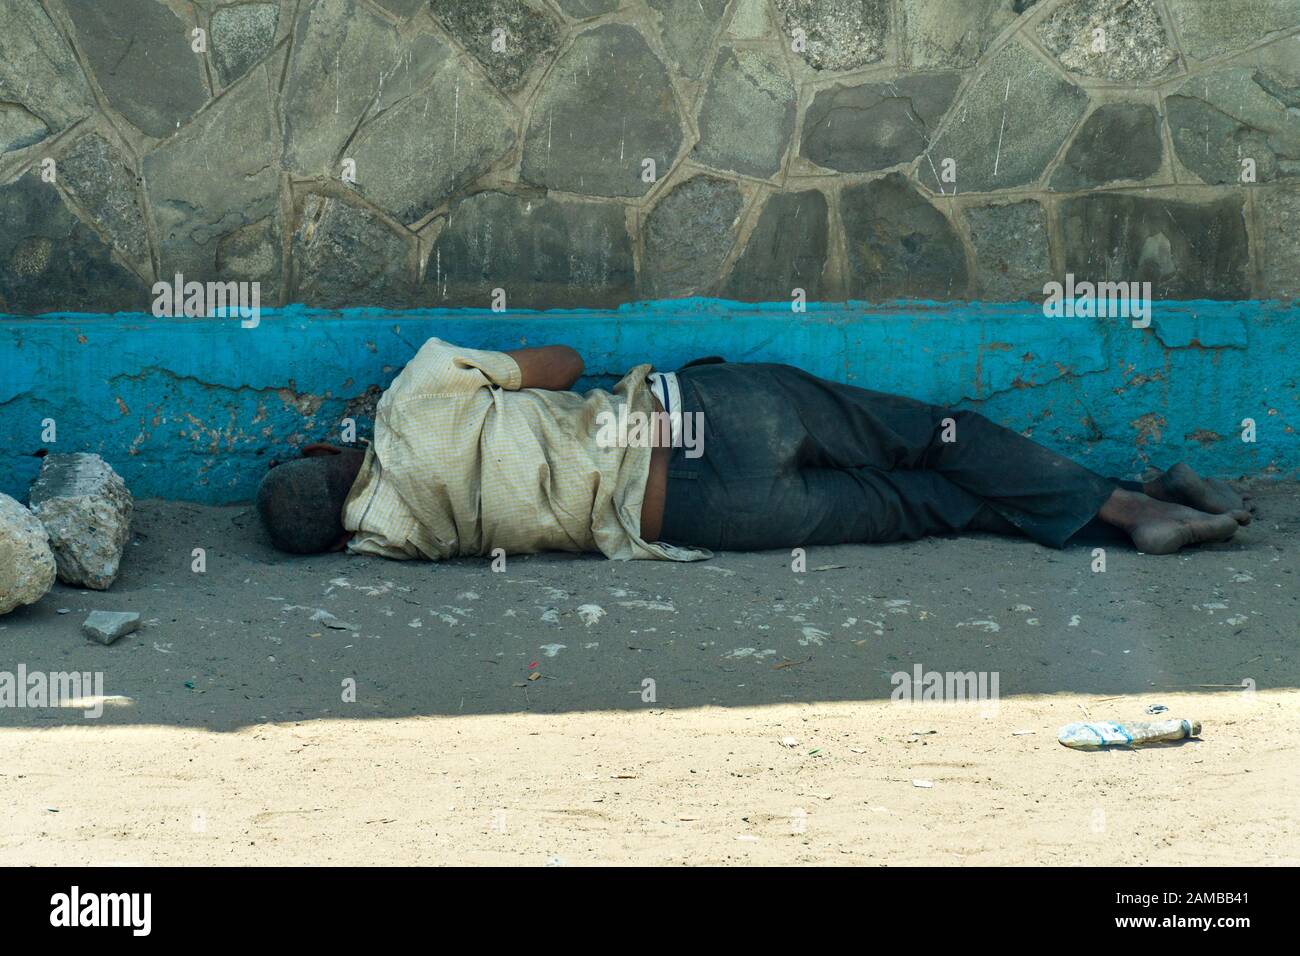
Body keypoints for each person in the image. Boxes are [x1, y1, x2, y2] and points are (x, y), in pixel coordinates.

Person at [255, 337, 1252, 560]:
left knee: (930, 505)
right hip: (700, 418)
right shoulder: (410, 395)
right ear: (321, 444)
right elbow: (558, 361)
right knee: (928, 435)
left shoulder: (389, 540)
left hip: (698, 518)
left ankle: (1129, 503)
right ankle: (1130, 499)